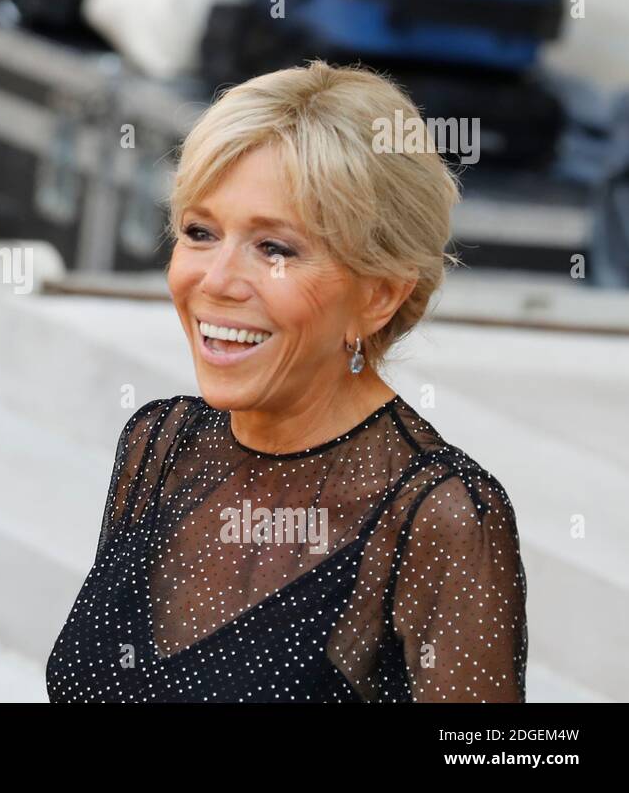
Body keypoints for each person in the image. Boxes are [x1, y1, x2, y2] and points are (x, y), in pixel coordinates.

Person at [46, 62, 527, 702]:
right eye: (200, 232)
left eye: (275, 248)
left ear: (379, 295)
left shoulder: (440, 516)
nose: (216, 280)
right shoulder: (161, 444)